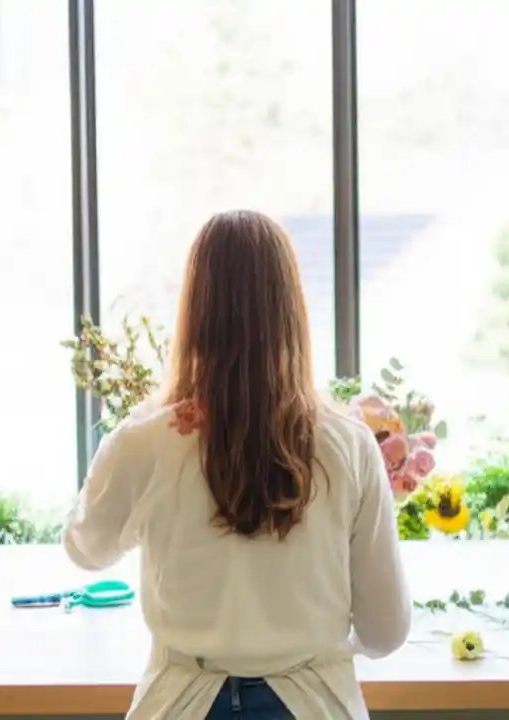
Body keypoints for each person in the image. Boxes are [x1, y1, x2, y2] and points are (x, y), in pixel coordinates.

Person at [63, 210, 411, 719]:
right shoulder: (350, 445)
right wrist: (323, 648)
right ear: (291, 312)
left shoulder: (146, 440)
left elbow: (86, 550)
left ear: (193, 313)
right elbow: (386, 630)